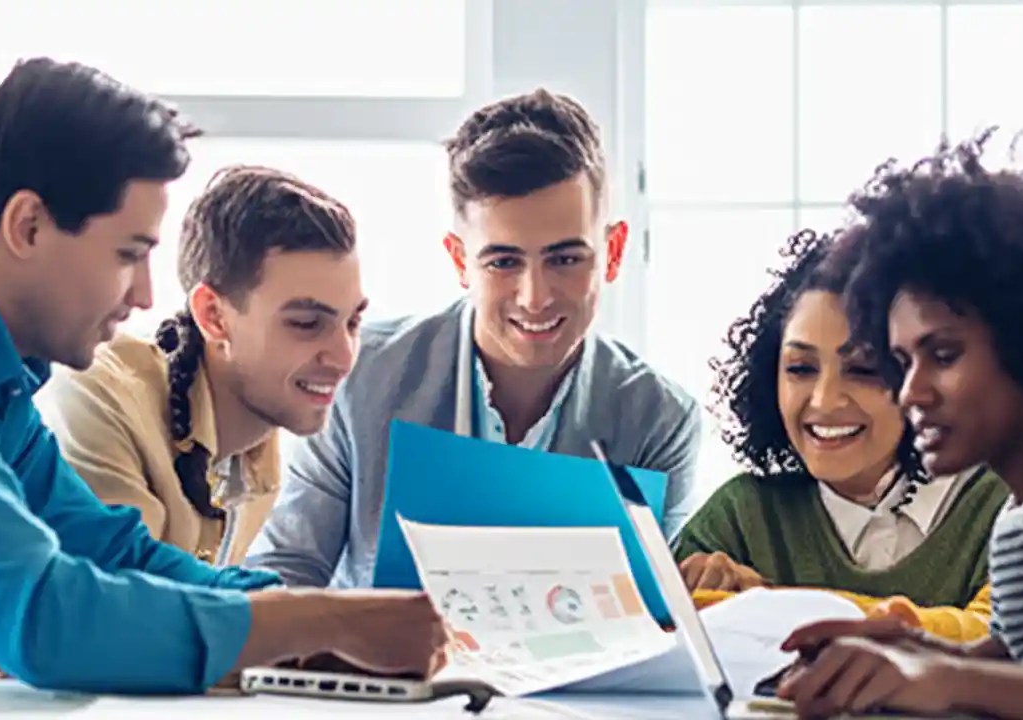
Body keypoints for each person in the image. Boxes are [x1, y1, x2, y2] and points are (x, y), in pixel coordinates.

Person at [0, 57, 447, 695]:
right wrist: (313, 620)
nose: (145, 294)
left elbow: (108, 553)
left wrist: (325, 621)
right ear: (28, 225)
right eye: (129, 254)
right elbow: (42, 618)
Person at [777, 133, 1023, 719]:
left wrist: (948, 675)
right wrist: (920, 651)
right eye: (903, 361)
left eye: (943, 355)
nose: (911, 391)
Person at [245, 89, 701, 588]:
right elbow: (285, 573)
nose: (535, 297)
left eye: (565, 259)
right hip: (379, 666)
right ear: (461, 260)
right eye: (503, 262)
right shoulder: (357, 376)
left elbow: (660, 612)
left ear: (612, 252)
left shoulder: (660, 420)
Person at [673, 229, 1009, 641]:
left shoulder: (1009, 505)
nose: (825, 400)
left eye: (864, 370)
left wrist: (769, 606)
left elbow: (1001, 639)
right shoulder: (739, 518)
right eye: (800, 368)